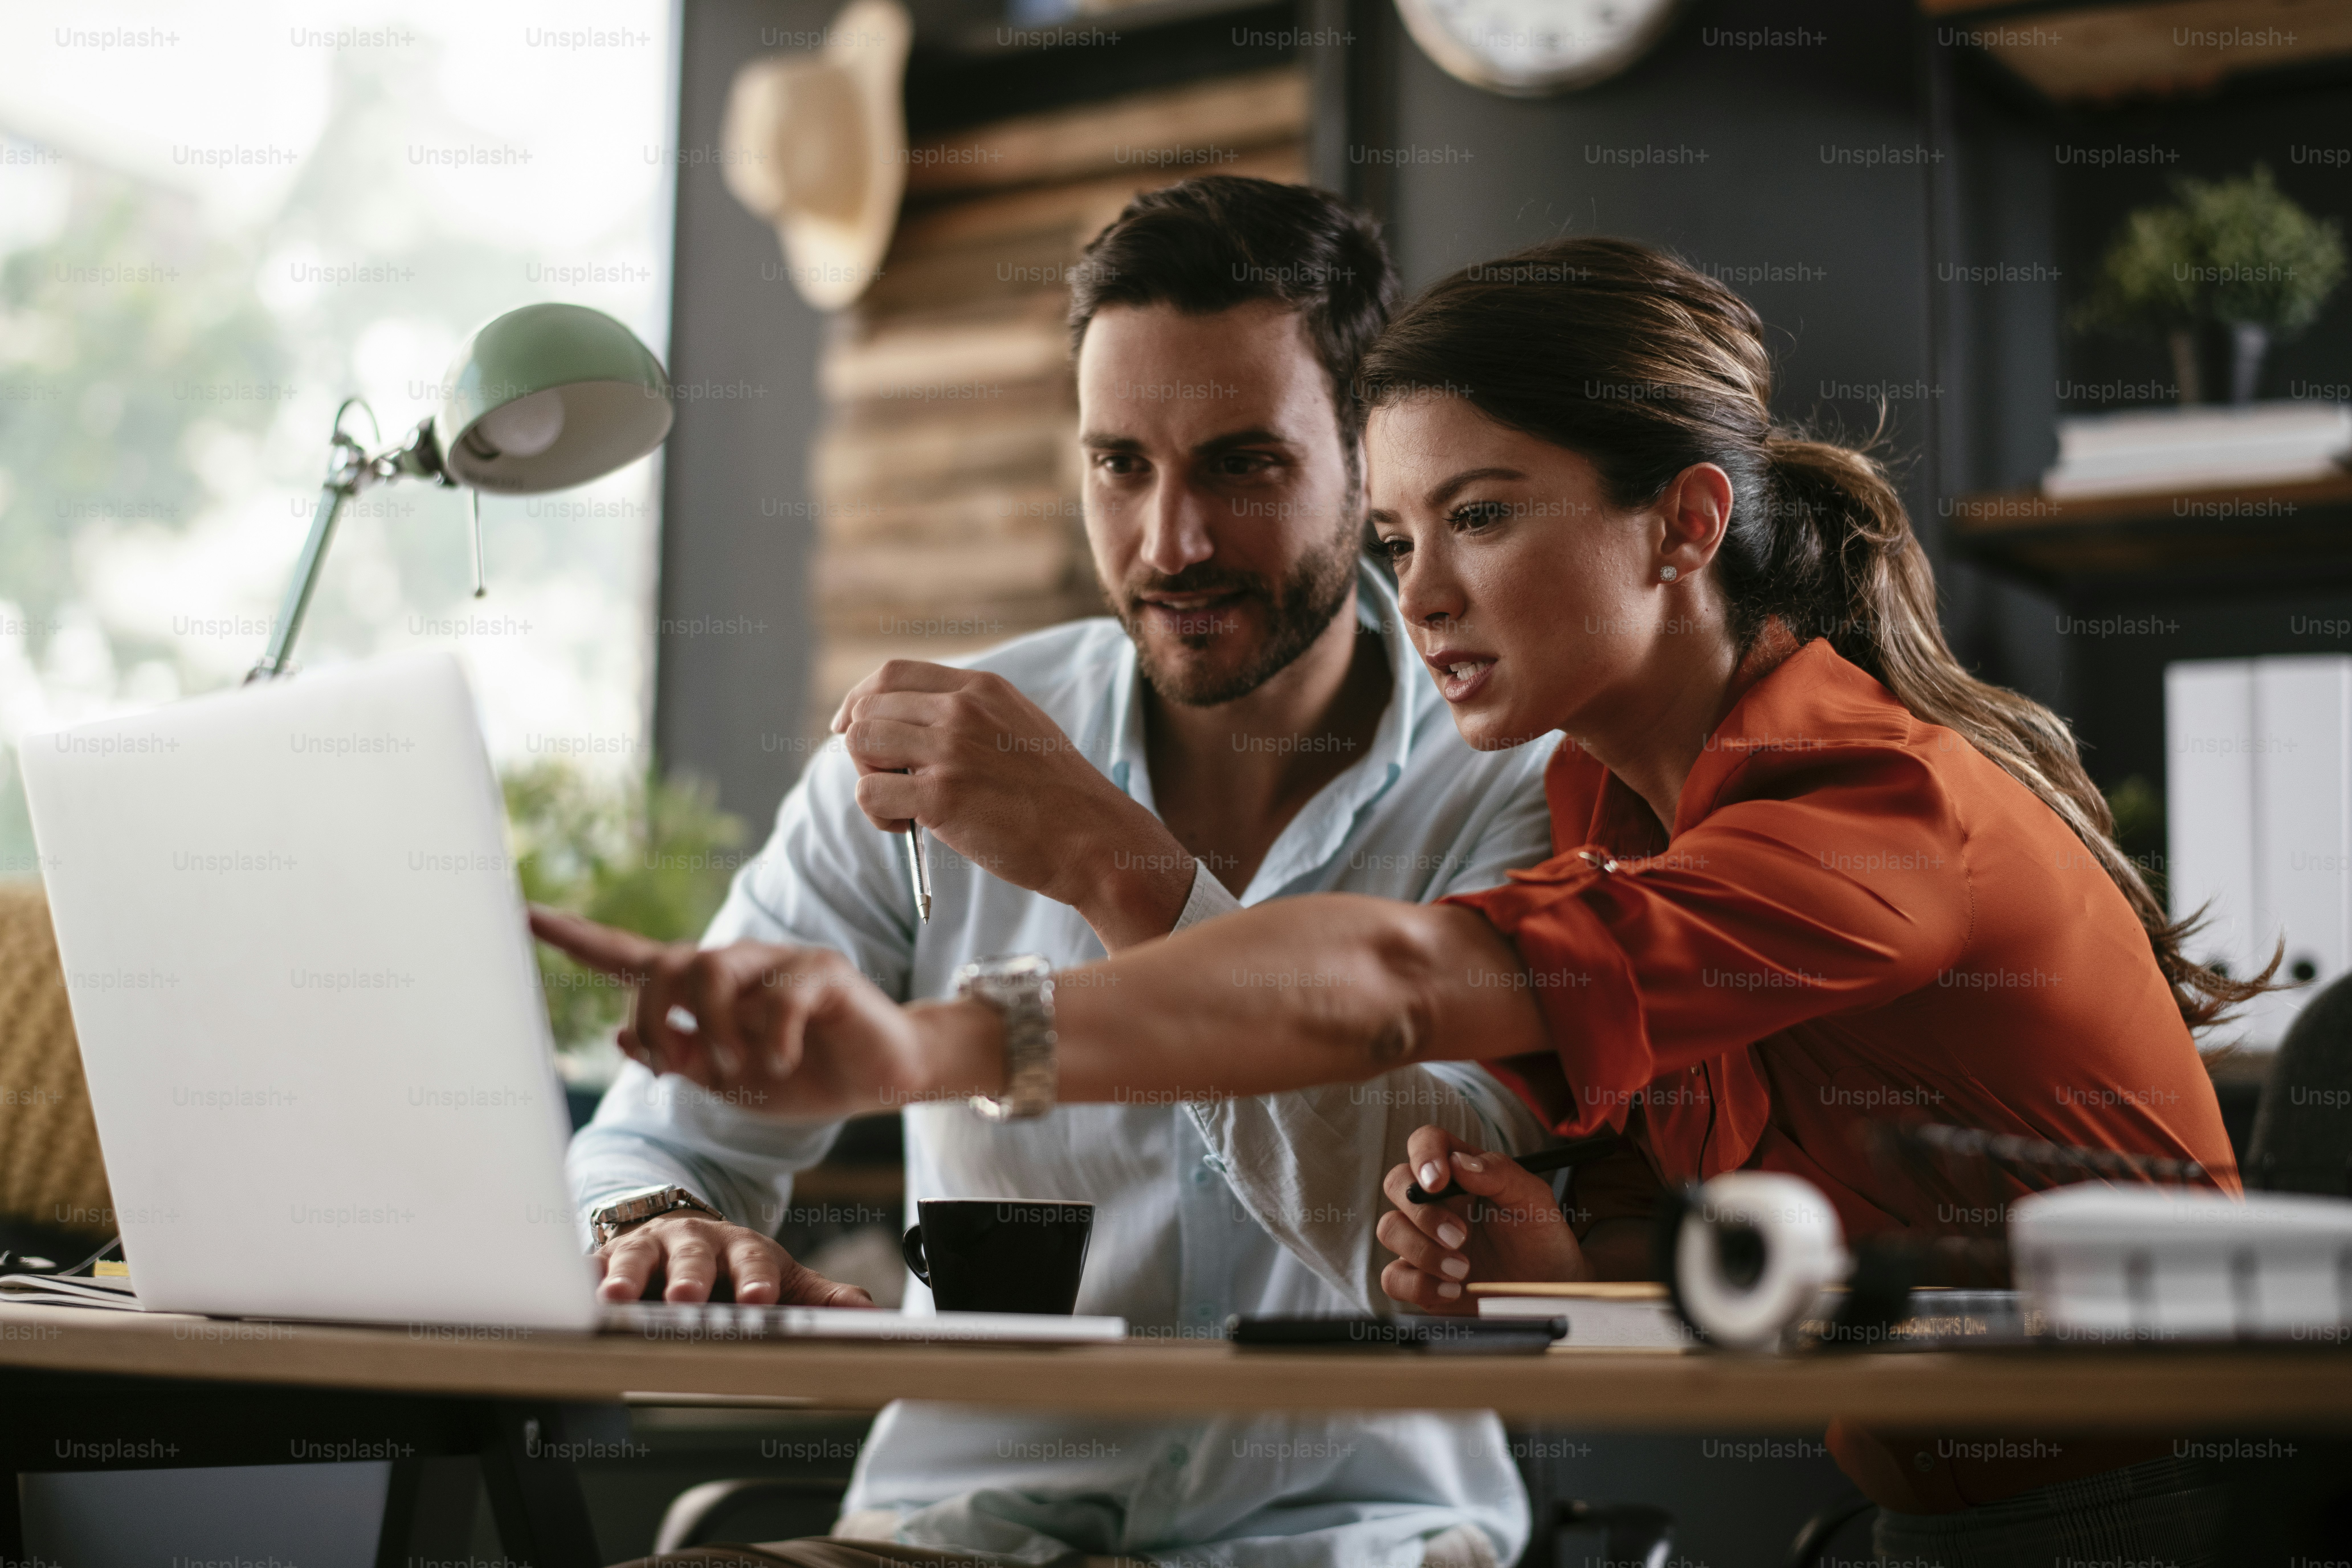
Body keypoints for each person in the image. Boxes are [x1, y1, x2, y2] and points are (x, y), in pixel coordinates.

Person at [541, 234, 2255, 1567]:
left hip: (2144, 1520)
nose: (1423, 594)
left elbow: (1395, 987)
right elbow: (1647, 1198)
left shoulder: (1866, 804)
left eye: (1482, 519)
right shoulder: (1609, 792)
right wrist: (1558, 1238)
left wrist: (922, 1046)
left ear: (1683, 529)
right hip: (1919, 1518)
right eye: (1409, 531)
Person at [566, 176, 1558, 1568]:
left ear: (1369, 459)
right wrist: (666, 1221)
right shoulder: (920, 758)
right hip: (951, 1538)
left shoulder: (1515, 779)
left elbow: (1434, 1221)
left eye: (1243, 463)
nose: (1172, 544)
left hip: (1355, 1541)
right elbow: (657, 1135)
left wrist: (1110, 859)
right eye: (1122, 465)